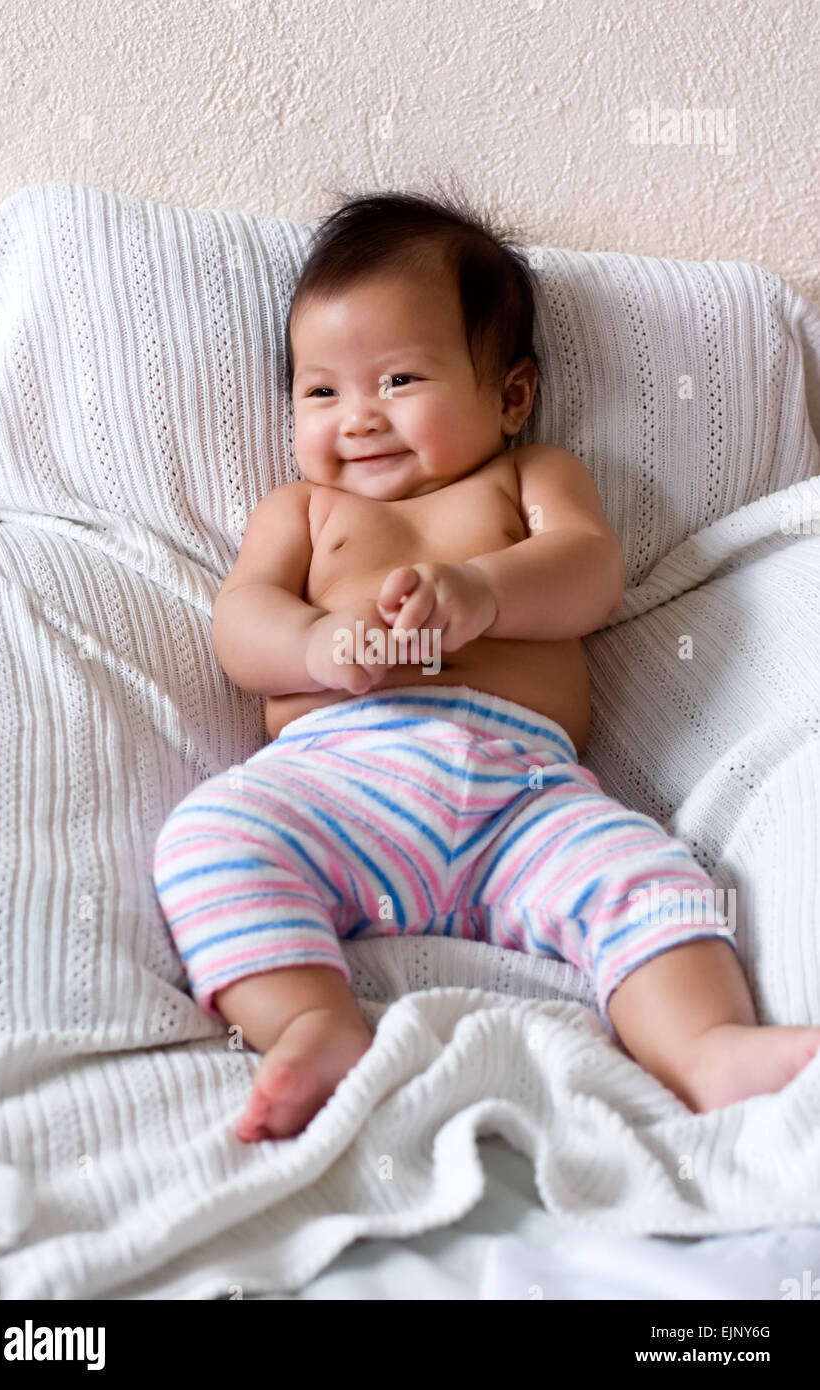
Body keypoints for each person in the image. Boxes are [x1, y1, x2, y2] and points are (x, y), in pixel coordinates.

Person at [153, 187, 820, 1143]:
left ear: (510, 395)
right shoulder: (304, 512)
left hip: (525, 798)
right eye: (321, 389)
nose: (357, 419)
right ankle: (311, 1020)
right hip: (336, 779)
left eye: (399, 381)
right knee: (209, 837)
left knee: (651, 876)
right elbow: (239, 620)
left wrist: (481, 594)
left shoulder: (529, 479)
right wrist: (314, 646)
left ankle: (705, 1047)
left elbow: (590, 571)